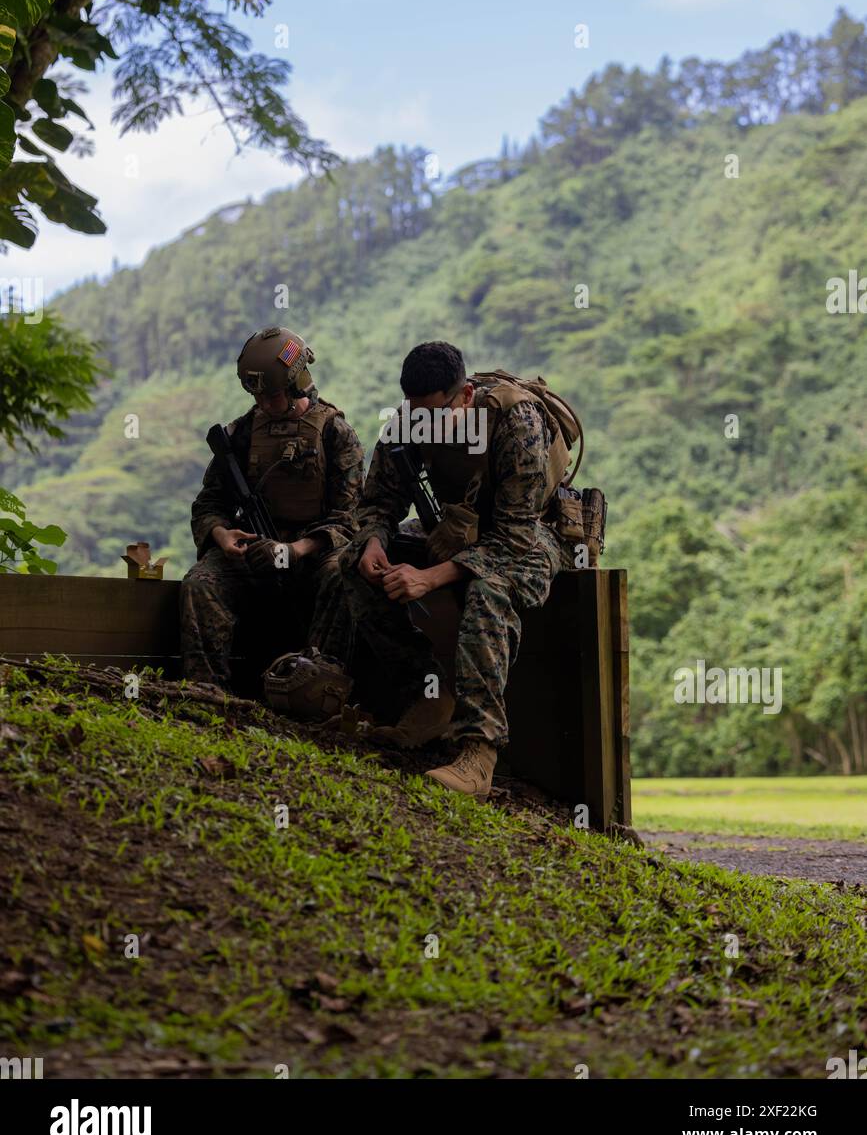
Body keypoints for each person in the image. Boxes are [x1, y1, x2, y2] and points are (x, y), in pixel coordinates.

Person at [342, 340, 578, 799]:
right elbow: (377, 503)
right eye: (417, 415)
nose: (424, 426)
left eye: (436, 415)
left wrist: (430, 577)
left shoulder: (516, 423)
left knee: (489, 590)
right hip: (455, 527)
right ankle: (428, 697)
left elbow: (512, 539)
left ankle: (479, 753)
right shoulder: (409, 423)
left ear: (465, 396)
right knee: (351, 563)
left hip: (533, 531)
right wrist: (374, 541)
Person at [180, 326, 364, 692]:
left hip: (314, 554)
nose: (264, 404)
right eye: (256, 395)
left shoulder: (335, 434)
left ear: (297, 384)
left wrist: (296, 550)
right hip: (254, 550)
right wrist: (222, 534)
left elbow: (350, 519)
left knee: (342, 576)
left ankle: (314, 691)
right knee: (199, 583)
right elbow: (209, 504)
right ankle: (206, 692)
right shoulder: (241, 435)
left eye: (273, 395)